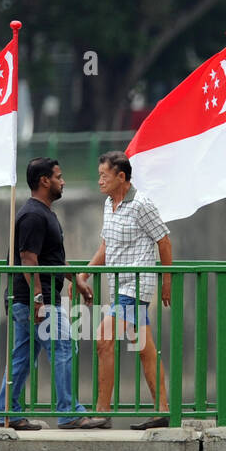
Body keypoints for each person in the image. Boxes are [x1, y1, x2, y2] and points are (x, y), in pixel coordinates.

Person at [0, 157, 100, 430]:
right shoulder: (32, 215)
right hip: (34, 301)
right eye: (59, 176)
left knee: (22, 356)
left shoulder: (44, 213)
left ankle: (6, 413)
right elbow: (28, 258)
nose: (63, 181)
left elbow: (52, 259)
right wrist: (39, 300)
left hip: (28, 300)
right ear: (44, 180)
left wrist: (76, 280)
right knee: (64, 346)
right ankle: (69, 413)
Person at [79, 151, 173, 430]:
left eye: (104, 176)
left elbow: (164, 241)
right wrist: (83, 274)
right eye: (98, 176)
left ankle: (102, 411)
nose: (100, 181)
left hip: (135, 286)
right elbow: (105, 248)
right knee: (145, 349)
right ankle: (163, 410)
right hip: (119, 285)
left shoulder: (142, 203)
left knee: (103, 339)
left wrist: (166, 281)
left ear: (121, 177)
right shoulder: (109, 204)